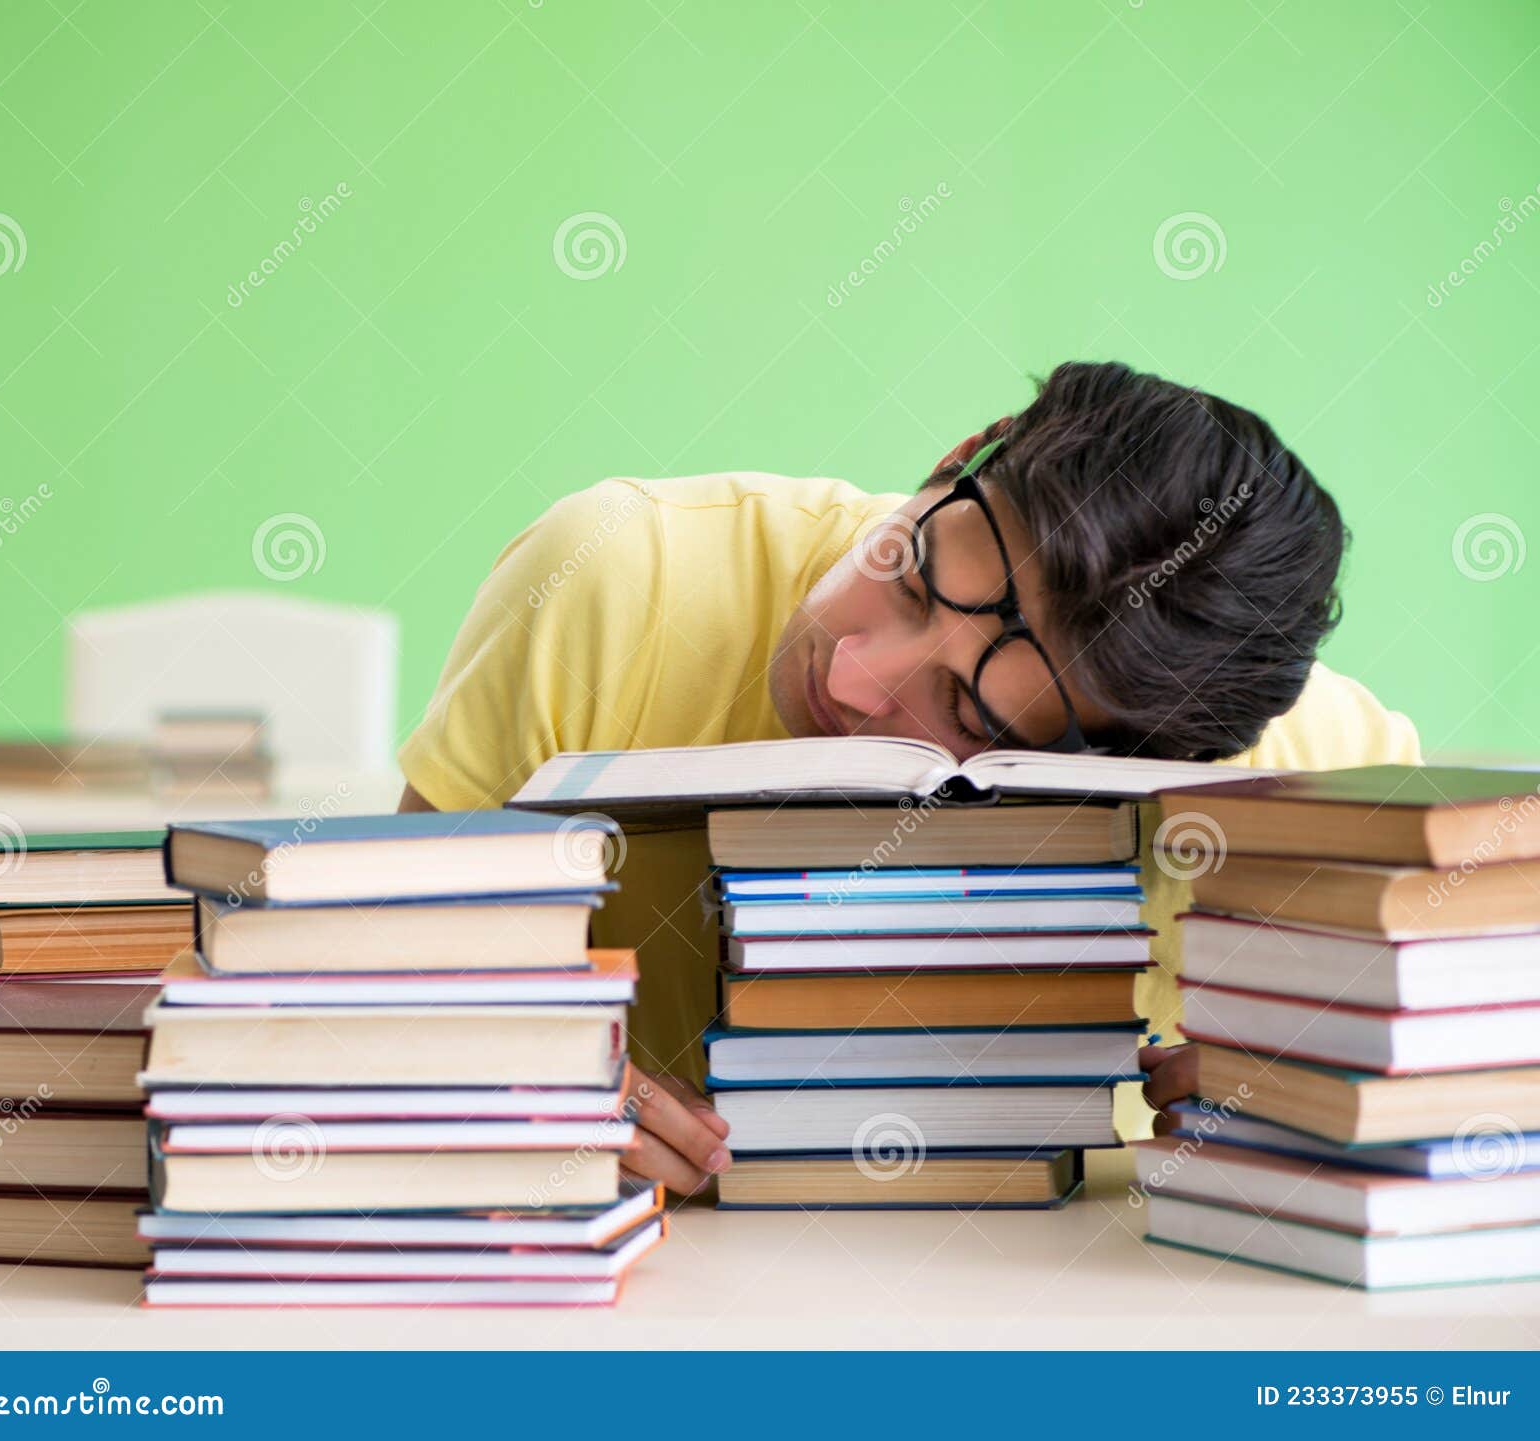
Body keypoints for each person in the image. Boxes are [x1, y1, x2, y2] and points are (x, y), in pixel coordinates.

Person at [397, 361, 1420, 1193]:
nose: (849, 672)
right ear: (955, 460)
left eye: (969, 717)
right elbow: (372, 978)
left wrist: (1371, 1073)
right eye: (913, 572)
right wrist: (499, 1079)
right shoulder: (616, 574)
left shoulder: (1302, 769)